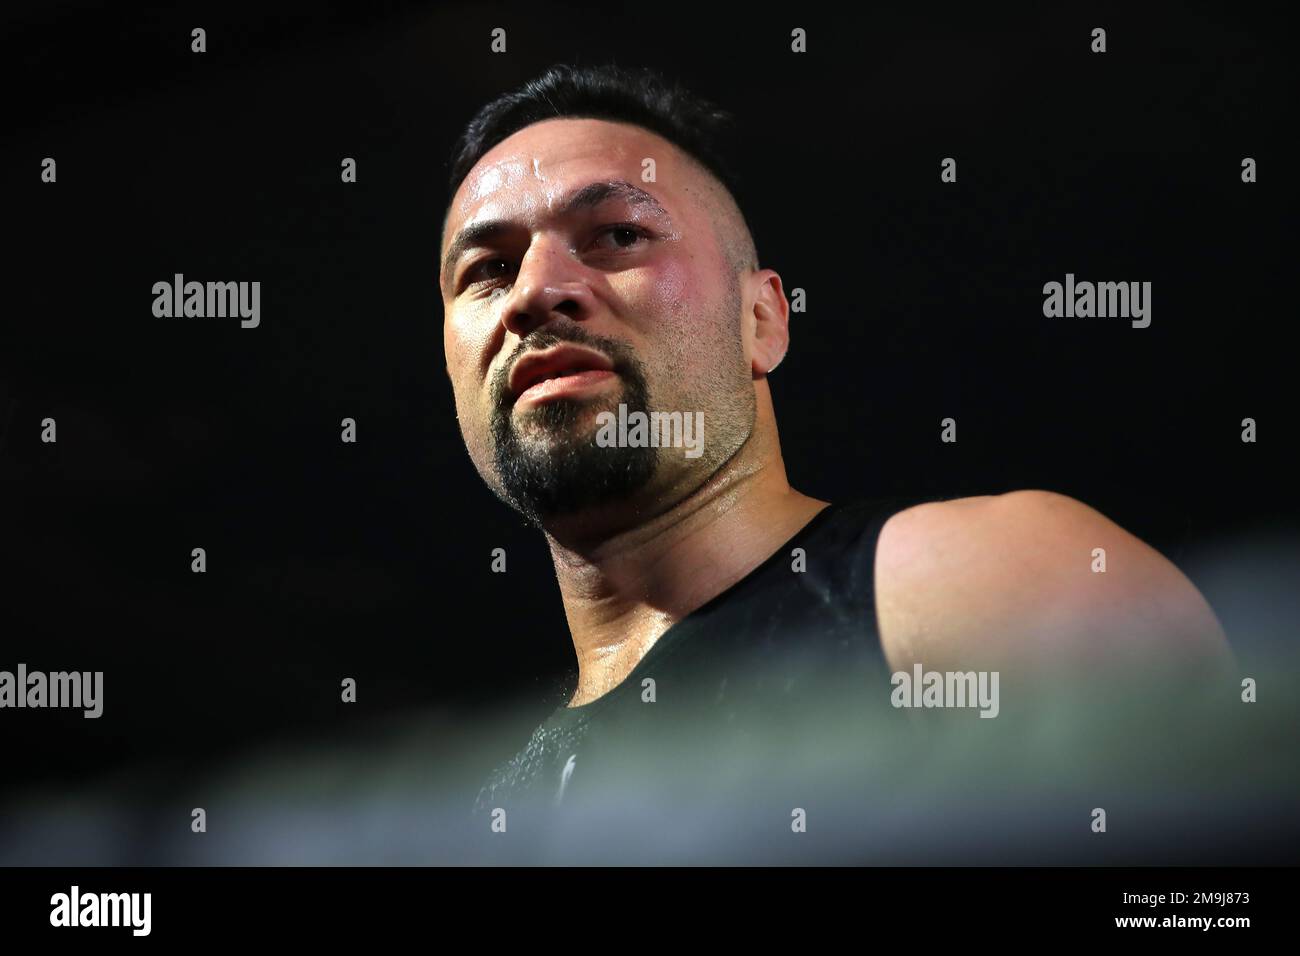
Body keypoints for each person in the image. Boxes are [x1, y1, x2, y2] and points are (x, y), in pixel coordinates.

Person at [437, 63, 1231, 838]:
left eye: (617, 234)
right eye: (490, 268)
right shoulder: (469, 812)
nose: (534, 290)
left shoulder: (968, 584)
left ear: (763, 320)